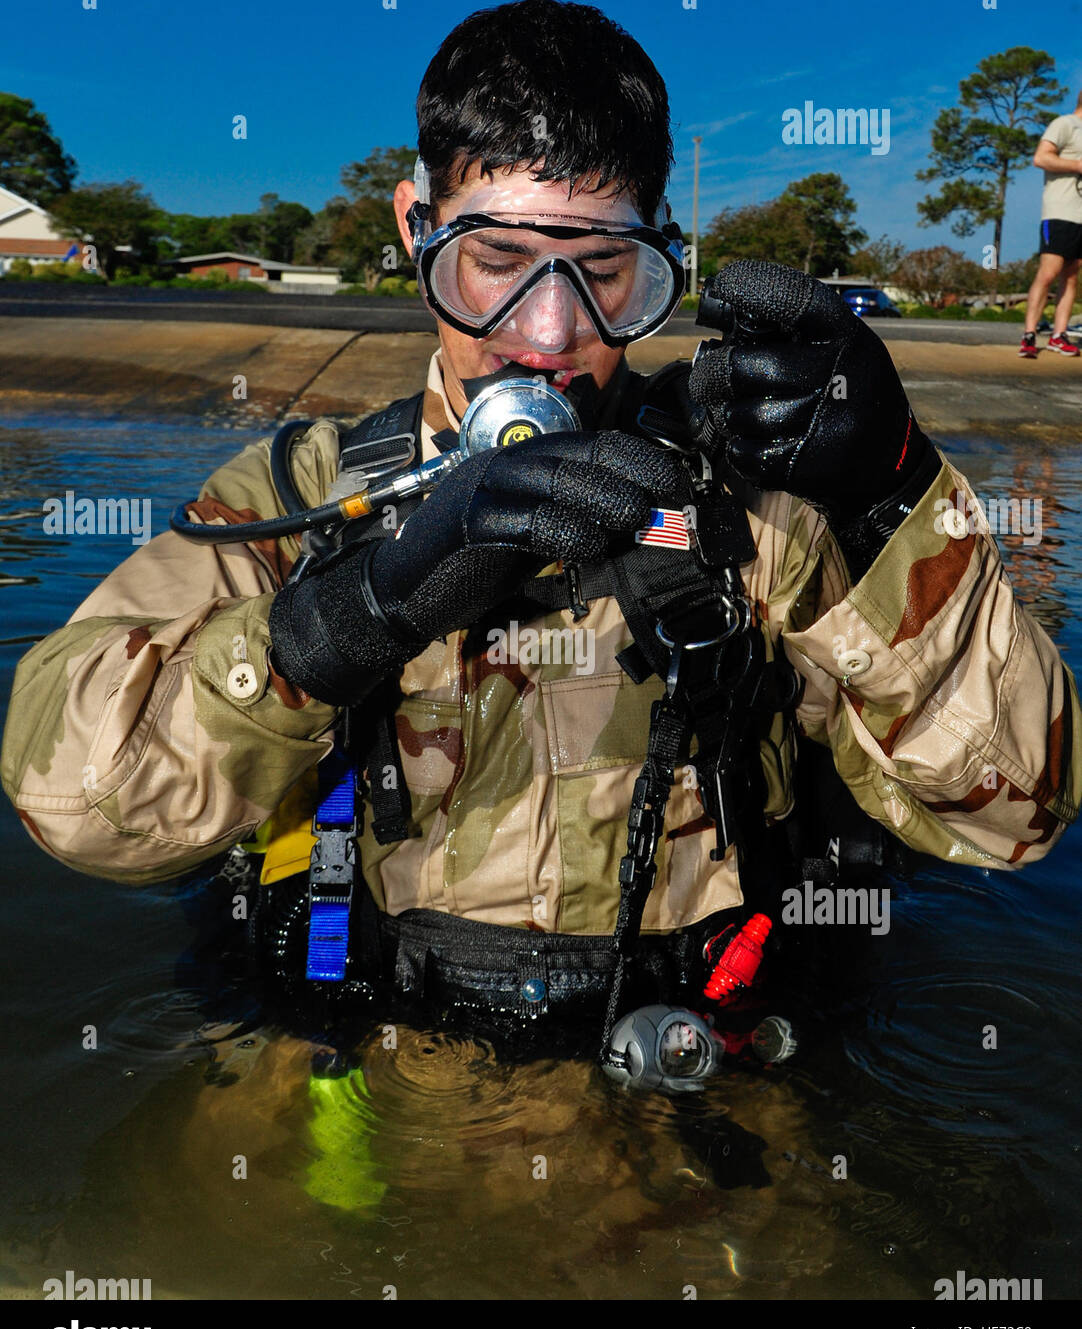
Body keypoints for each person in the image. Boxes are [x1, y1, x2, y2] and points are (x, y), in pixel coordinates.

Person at [3, 1, 1080, 1078]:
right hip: (369, 1083)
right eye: (496, 259)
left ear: (658, 253)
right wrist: (353, 611)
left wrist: (891, 494)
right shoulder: (298, 495)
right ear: (416, 230)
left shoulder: (755, 514)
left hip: (691, 1100)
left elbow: (1013, 818)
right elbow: (77, 809)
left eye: (602, 271)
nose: (548, 335)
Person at [1020, 90, 1082, 358]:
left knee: (1071, 277)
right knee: (1048, 273)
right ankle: (1029, 335)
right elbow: (1041, 158)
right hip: (1058, 212)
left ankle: (1059, 335)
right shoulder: (1065, 124)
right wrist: (1078, 165)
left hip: (1081, 215)